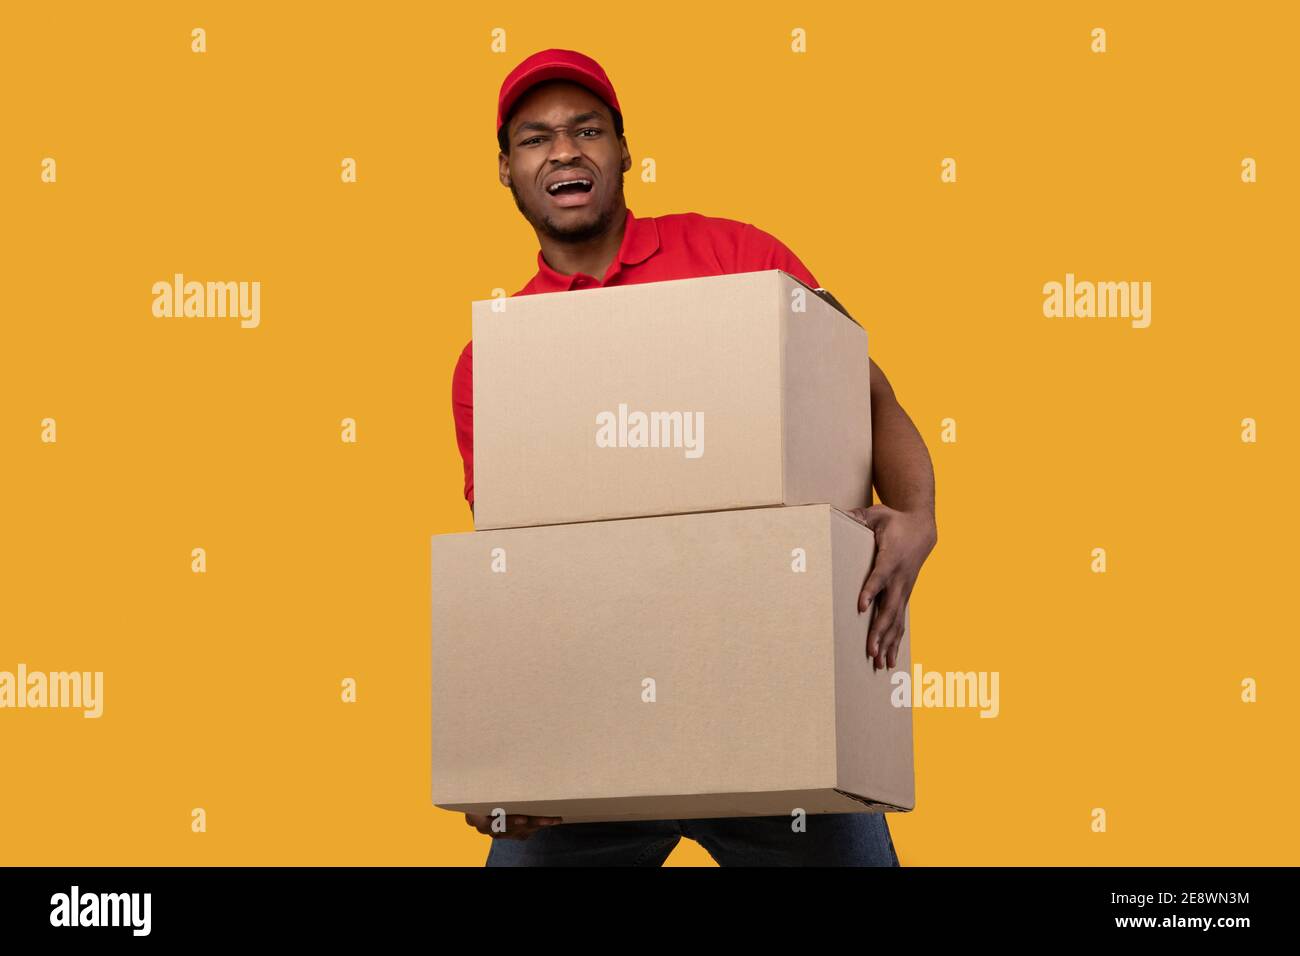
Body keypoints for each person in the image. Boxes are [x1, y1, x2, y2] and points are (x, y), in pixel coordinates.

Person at [450, 48, 938, 866]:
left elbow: (870, 392)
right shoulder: (492, 362)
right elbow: (520, 571)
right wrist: (500, 756)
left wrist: (920, 518)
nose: (564, 150)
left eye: (587, 130)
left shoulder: (739, 257)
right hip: (594, 731)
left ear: (624, 151)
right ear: (505, 169)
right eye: (535, 138)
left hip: (784, 707)